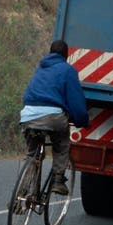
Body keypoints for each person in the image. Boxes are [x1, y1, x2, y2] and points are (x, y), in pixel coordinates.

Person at [20, 40, 89, 195]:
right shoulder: (67, 70)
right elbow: (76, 102)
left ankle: (21, 192)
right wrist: (82, 121)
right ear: (66, 55)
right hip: (52, 116)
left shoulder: (39, 68)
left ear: (50, 53)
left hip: (28, 114)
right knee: (62, 142)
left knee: (32, 153)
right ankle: (58, 179)